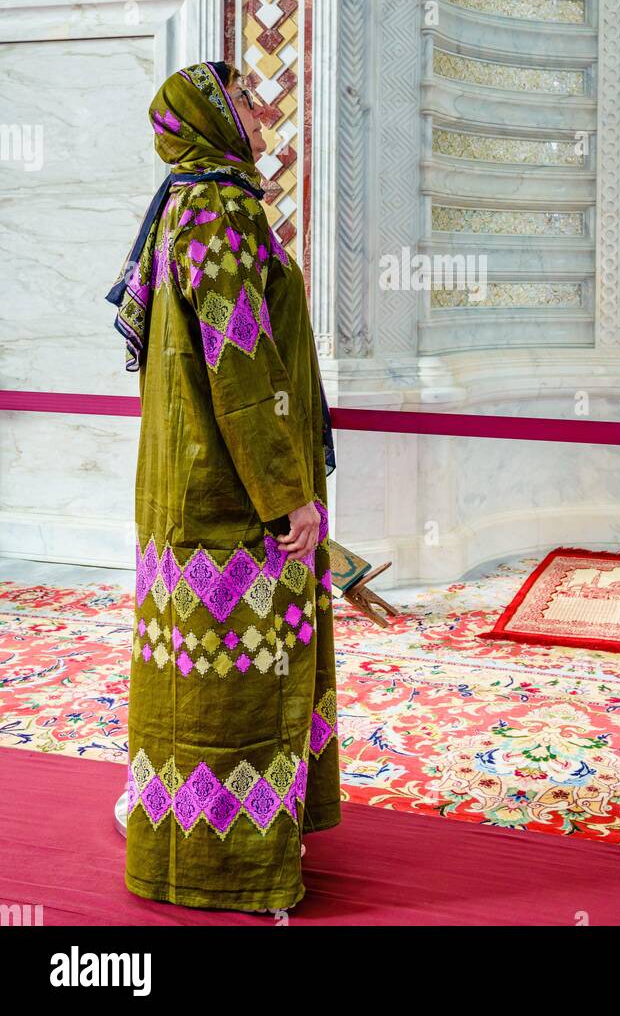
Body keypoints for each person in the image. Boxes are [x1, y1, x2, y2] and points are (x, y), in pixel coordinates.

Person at [107, 60, 340, 912]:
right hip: (235, 499)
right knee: (244, 676)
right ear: (207, 117)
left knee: (188, 669)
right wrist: (288, 494)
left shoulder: (182, 205)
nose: (258, 103)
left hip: (184, 490)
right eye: (241, 96)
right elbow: (240, 365)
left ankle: (170, 819)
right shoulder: (220, 209)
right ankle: (232, 867)